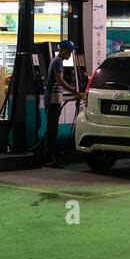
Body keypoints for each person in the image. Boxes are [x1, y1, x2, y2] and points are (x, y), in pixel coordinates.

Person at [42, 40, 80, 168]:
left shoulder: (55, 60)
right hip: (52, 99)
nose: (69, 55)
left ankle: (51, 157)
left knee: (52, 129)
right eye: (68, 51)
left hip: (53, 99)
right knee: (52, 130)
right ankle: (49, 159)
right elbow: (60, 81)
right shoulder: (58, 61)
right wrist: (74, 91)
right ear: (62, 49)